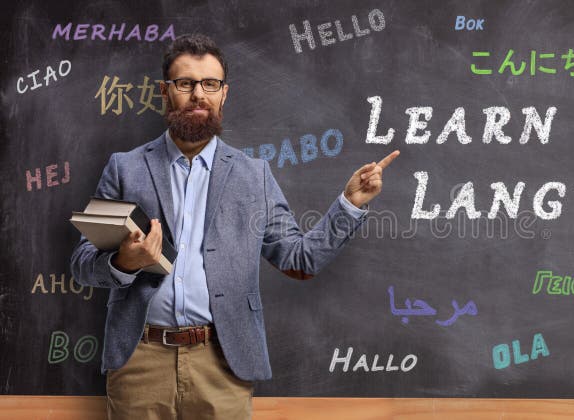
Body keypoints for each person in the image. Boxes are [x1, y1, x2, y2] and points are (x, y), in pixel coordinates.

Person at [70, 33, 399, 419]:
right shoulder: (125, 168)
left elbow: (300, 259)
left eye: (210, 84)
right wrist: (124, 262)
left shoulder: (253, 176)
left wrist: (349, 204)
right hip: (139, 362)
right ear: (165, 91)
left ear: (224, 94)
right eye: (185, 83)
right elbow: (82, 262)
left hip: (222, 361)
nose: (198, 94)